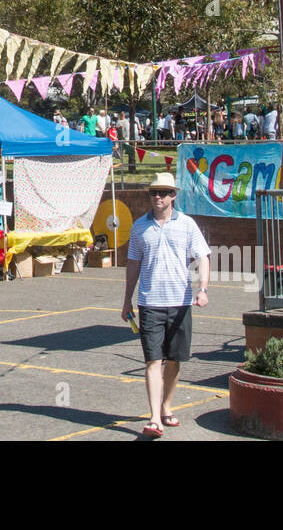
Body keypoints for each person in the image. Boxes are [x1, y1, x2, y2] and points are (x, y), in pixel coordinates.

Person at [120, 173, 210, 439]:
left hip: (180, 303)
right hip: (149, 303)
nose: (157, 197)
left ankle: (166, 406)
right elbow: (133, 264)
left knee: (174, 361)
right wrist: (127, 300)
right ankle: (155, 418)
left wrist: (203, 289)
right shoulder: (139, 227)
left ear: (173, 195)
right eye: (153, 192)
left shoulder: (187, 225)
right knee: (152, 360)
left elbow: (203, 257)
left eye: (163, 192)